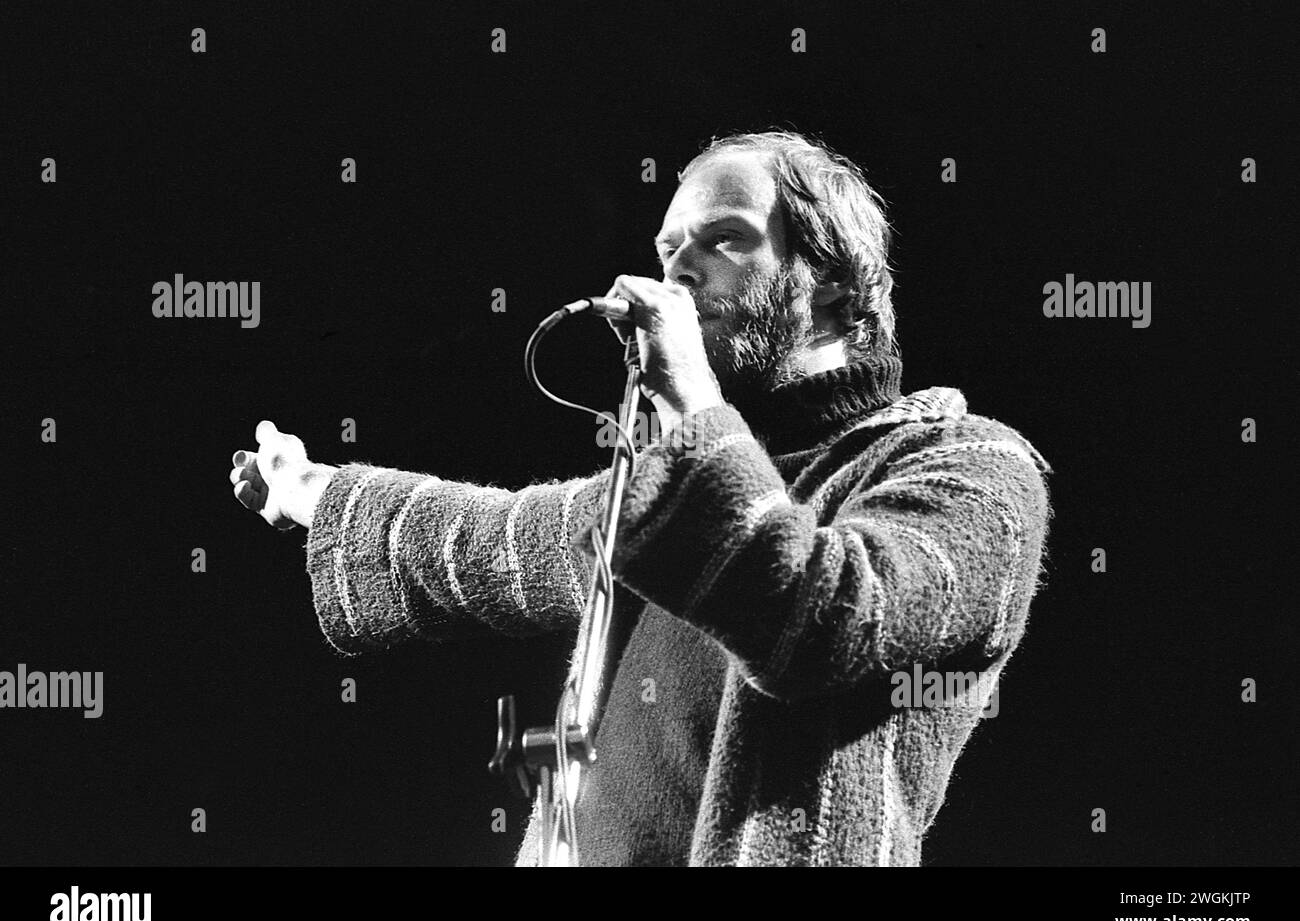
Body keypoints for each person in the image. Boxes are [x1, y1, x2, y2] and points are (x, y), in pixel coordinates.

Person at [229, 130, 1054, 866]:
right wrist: (311, 489)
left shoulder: (968, 465)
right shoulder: (662, 486)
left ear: (833, 286)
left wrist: (693, 400)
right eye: (668, 251)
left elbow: (826, 617)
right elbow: (492, 542)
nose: (676, 272)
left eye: (724, 239)